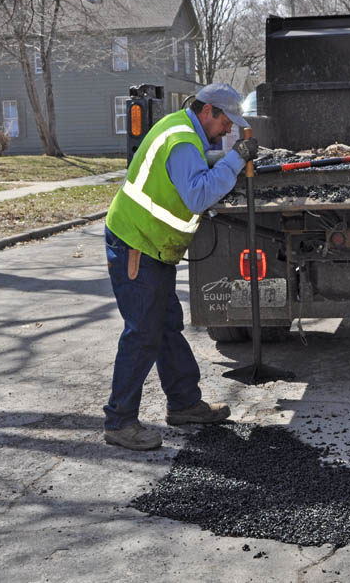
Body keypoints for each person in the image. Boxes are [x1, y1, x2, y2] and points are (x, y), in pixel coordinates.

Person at [102, 83, 259, 451]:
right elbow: (198, 194)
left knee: (166, 327)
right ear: (208, 112)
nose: (228, 130)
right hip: (137, 244)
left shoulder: (181, 128)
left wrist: (225, 160)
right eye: (225, 122)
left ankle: (184, 403)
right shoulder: (183, 141)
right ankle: (120, 422)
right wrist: (235, 160)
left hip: (151, 246)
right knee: (143, 333)